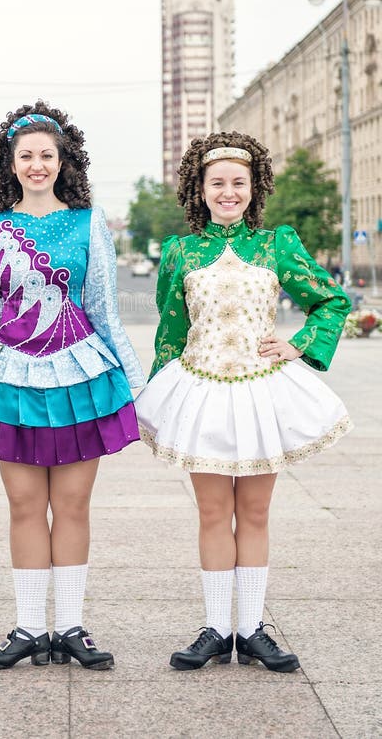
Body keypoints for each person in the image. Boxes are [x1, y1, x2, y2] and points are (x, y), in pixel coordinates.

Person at [135, 132, 352, 673]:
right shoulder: (181, 251)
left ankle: (252, 629)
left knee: (254, 511)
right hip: (202, 389)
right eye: (217, 184)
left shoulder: (278, 243)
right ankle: (216, 629)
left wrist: (297, 343)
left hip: (261, 392)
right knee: (213, 511)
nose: (228, 193)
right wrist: (157, 399)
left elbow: (331, 300)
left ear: (253, 189)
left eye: (238, 183)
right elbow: (170, 329)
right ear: (200, 189)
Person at [0, 102, 144, 670]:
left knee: (75, 505)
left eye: (46, 156)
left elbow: (104, 308)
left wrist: (136, 383)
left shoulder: (89, 221)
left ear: (64, 162)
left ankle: (71, 629)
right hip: (9, 378)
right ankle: (31, 627)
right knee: (24, 505)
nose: (37, 165)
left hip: (81, 376)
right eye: (26, 156)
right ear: (10, 164)